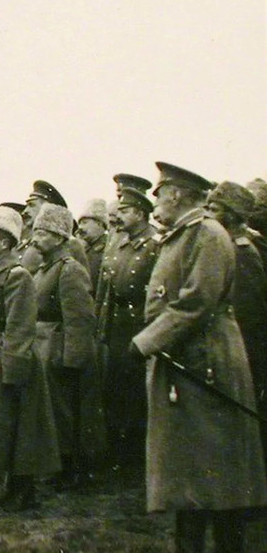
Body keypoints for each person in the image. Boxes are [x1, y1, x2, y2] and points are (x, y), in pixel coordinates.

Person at [131, 163, 267, 553]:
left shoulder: (207, 234)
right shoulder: (187, 234)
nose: (155, 200)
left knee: (215, 466)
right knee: (192, 466)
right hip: (186, 360)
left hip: (204, 363)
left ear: (178, 194)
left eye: (159, 192)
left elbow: (196, 301)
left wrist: (147, 340)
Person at [0, 208, 59, 510]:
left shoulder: (16, 276)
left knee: (16, 426)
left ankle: (23, 489)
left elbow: (20, 325)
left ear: (7, 243)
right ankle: (11, 486)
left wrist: (13, 368)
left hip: (6, 355)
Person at [30, 204, 103, 491]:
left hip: (58, 346)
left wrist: (72, 358)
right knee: (51, 409)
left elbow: (80, 318)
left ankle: (70, 467)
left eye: (43, 232)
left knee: (64, 411)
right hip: (44, 343)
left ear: (60, 237)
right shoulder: (43, 269)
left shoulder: (70, 270)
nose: (36, 237)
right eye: (35, 231)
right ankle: (57, 464)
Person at [95, 186, 158, 470]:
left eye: (124, 211)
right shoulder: (119, 243)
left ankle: (135, 454)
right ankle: (119, 451)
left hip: (139, 322)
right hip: (117, 322)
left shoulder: (154, 244)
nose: (118, 216)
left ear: (140, 214)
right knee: (117, 388)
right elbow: (106, 288)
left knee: (137, 391)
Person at [205, 181, 267, 462]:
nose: (208, 212)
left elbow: (248, 313)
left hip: (242, 347)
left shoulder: (243, 252)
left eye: (215, 208)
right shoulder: (226, 245)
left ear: (231, 213)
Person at [19, 181, 90, 278]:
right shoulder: (28, 241)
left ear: (48, 207)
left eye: (31, 205)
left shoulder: (71, 245)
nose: (25, 211)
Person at [75, 199, 109, 295]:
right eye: (80, 223)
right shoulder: (83, 248)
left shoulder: (108, 249)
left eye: (85, 222)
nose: (80, 227)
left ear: (99, 223)